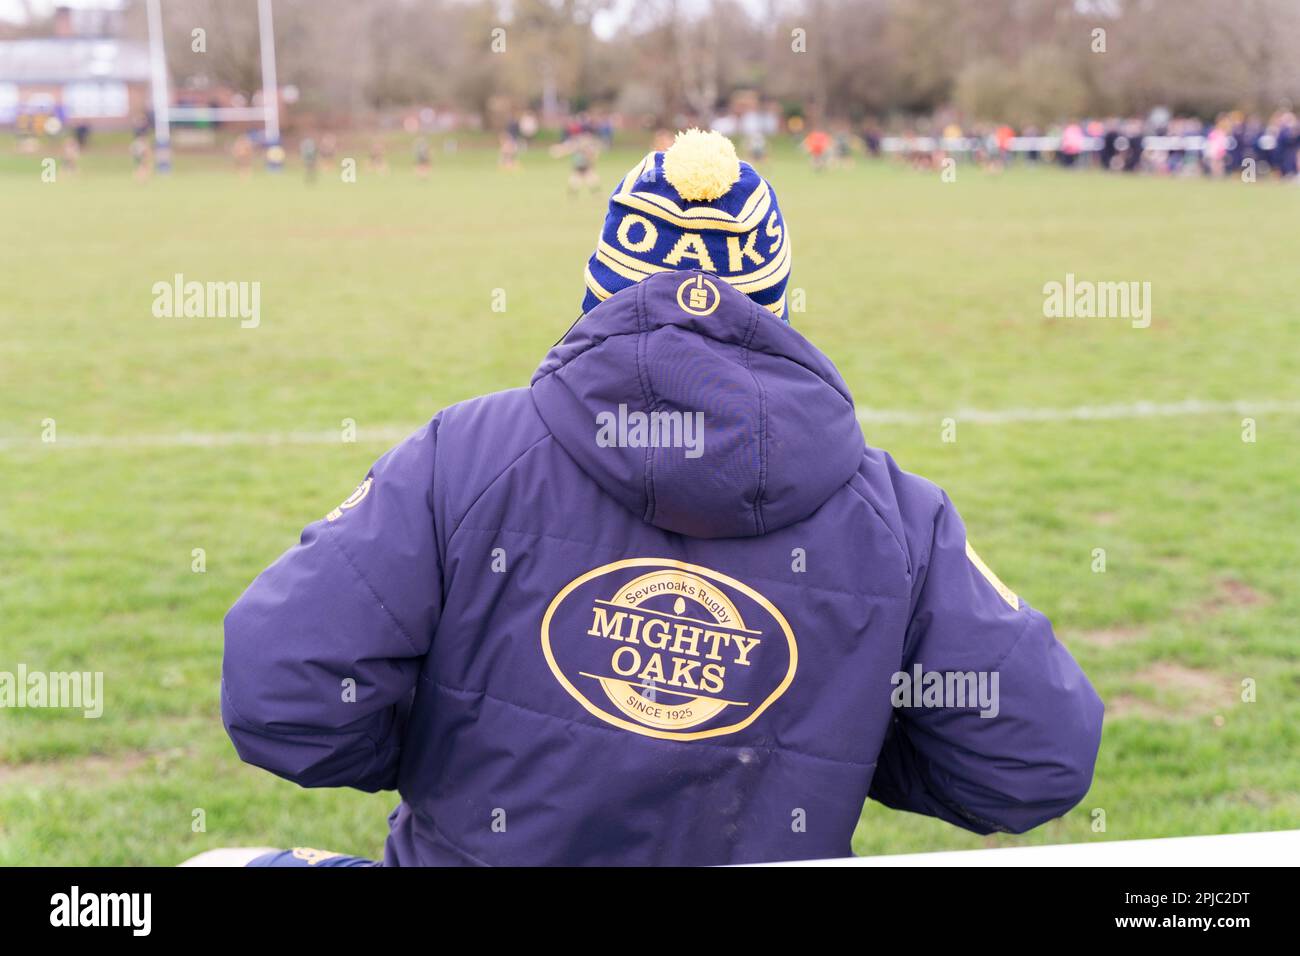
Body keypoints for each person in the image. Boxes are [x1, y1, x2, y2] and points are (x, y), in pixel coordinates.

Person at [218, 129, 1103, 867]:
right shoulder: (898, 517)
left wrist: (455, 750)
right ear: (777, 310)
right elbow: (1034, 758)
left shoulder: (466, 453)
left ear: (600, 292)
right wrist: (831, 734)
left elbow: (283, 688)